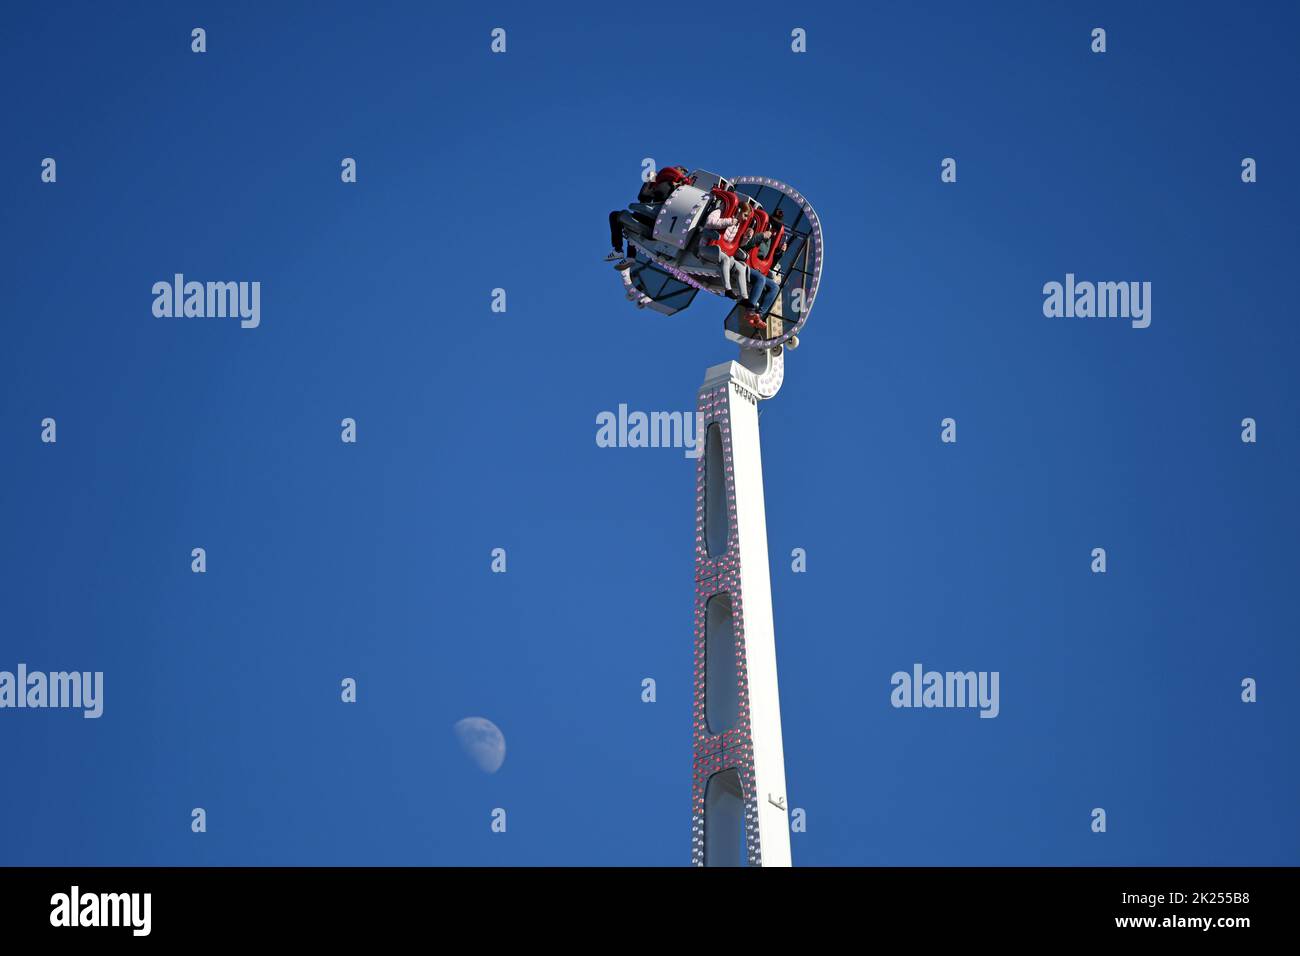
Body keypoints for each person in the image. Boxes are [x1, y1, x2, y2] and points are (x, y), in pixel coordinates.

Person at [606, 167, 692, 270]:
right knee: (633, 220)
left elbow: (643, 196)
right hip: (659, 226)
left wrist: (649, 181)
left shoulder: (666, 186)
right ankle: (630, 256)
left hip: (652, 223)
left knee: (615, 215)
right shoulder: (680, 191)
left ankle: (618, 250)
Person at [742, 209, 788, 331]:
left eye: (775, 229)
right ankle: (750, 310)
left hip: (757, 269)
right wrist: (761, 235)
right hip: (744, 264)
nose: (773, 231)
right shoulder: (757, 228)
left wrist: (780, 252)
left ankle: (759, 314)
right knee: (761, 279)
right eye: (773, 226)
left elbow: (769, 265)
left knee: (775, 287)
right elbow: (744, 245)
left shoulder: (772, 241)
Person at [701, 199, 752, 300]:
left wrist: (746, 238)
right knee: (726, 259)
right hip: (706, 248)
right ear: (739, 211)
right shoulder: (720, 212)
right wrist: (729, 221)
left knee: (741, 267)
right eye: (745, 215)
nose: (745, 219)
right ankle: (727, 289)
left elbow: (735, 244)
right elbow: (710, 222)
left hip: (721, 252)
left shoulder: (737, 226)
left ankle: (744, 298)